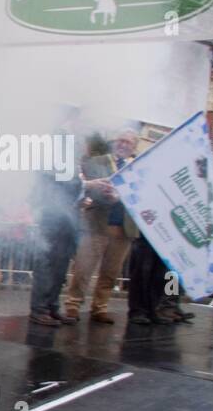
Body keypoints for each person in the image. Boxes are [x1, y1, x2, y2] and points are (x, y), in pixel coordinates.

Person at [64, 129, 137, 324]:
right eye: (121, 140)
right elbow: (91, 189)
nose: (123, 145)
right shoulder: (99, 162)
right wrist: (108, 196)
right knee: (83, 268)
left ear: (134, 147)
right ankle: (72, 305)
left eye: (128, 142)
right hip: (96, 223)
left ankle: (100, 307)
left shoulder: (138, 168)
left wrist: (121, 199)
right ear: (114, 143)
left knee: (111, 272)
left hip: (123, 228)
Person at [28, 114, 83, 327]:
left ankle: (51, 306)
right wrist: (85, 187)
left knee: (60, 264)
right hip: (51, 216)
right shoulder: (50, 157)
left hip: (66, 217)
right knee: (47, 263)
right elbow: (62, 183)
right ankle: (40, 308)